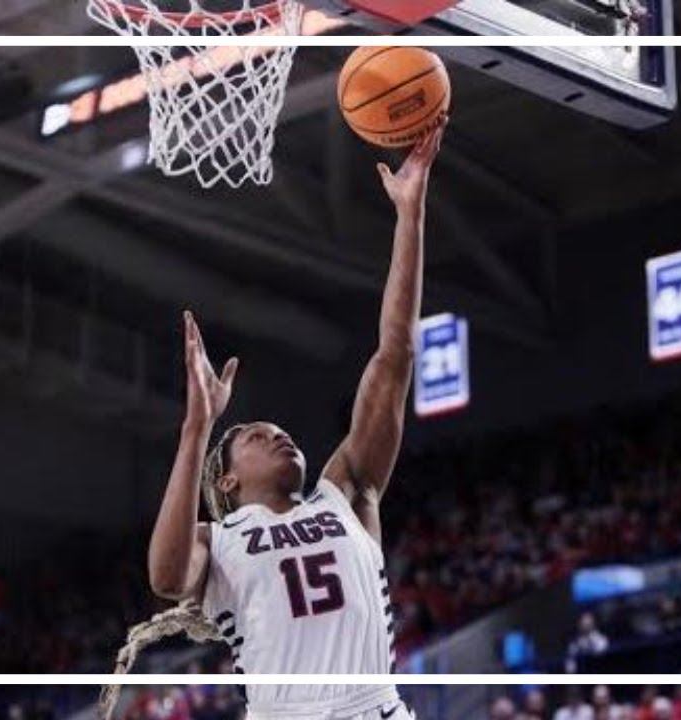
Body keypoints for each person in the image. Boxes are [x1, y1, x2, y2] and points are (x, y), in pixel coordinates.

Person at [99, 121, 447, 720]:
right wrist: (197, 426)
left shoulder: (347, 494)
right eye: (256, 437)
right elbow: (164, 573)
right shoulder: (220, 541)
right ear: (227, 482)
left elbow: (394, 356)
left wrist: (409, 217)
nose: (278, 434)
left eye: (278, 431)